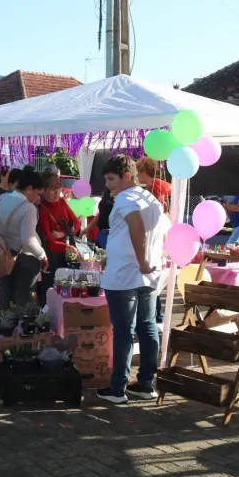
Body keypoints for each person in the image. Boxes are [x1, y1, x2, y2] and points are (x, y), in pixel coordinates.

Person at [96, 155, 168, 405]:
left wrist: (142, 261)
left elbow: (135, 224)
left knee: (126, 331)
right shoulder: (149, 197)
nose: (107, 185)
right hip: (144, 275)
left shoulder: (127, 198)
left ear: (126, 176)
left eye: (111, 179)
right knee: (147, 327)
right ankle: (146, 384)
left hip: (127, 275)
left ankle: (118, 388)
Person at [0, 168, 47, 308]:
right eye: (38, 193)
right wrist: (42, 255)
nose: (39, 198)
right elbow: (28, 240)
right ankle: (22, 329)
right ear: (29, 189)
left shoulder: (1, 198)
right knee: (24, 302)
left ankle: (1, 328)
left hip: (2, 255)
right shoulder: (28, 207)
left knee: (5, 297)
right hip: (25, 258)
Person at [36, 166, 80, 302]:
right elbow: (49, 241)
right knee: (50, 289)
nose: (56, 193)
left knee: (66, 288)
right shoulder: (41, 208)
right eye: (52, 189)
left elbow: (77, 223)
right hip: (51, 256)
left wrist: (62, 234)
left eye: (59, 188)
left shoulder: (61, 202)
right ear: (44, 190)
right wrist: (66, 245)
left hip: (66, 252)